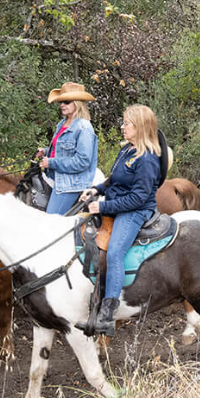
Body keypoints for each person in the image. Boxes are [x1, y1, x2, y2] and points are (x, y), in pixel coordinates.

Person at [78, 104, 163, 336]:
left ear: (141, 127)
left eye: (127, 123)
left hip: (135, 211)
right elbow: (113, 181)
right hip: (117, 205)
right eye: (123, 122)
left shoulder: (147, 160)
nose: (122, 127)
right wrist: (95, 189)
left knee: (114, 252)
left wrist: (103, 205)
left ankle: (108, 315)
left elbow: (138, 198)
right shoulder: (127, 150)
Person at [37, 82, 99, 215]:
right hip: (56, 177)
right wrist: (46, 151)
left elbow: (82, 161)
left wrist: (52, 163)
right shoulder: (62, 124)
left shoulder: (84, 127)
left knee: (50, 221)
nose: (62, 105)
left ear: (77, 103)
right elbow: (64, 150)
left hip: (71, 184)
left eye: (66, 101)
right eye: (61, 102)